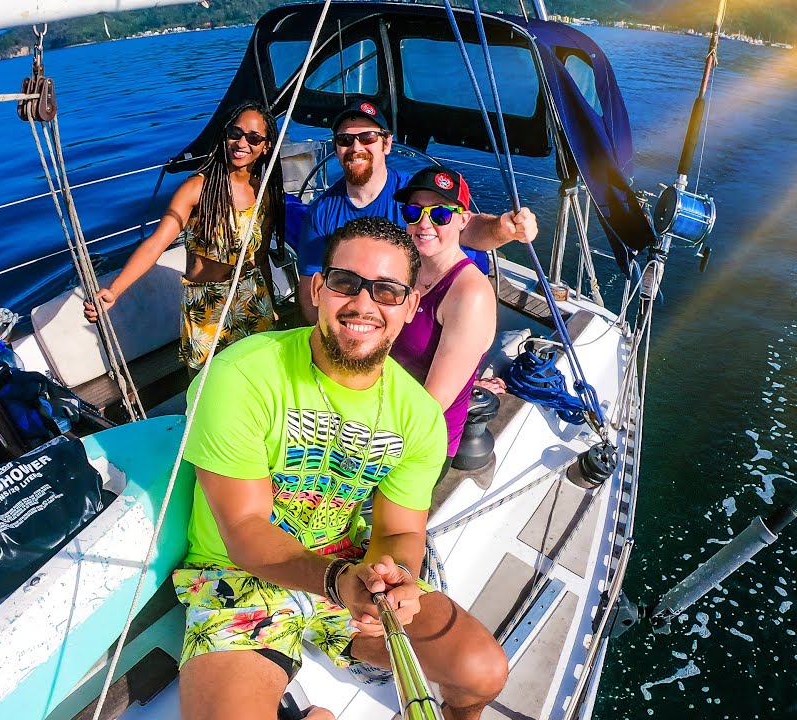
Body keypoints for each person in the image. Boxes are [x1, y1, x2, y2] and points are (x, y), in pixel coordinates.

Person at [174, 217, 508, 720]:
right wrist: (336, 581)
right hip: (242, 573)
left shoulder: (417, 415)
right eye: (345, 283)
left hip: (353, 567)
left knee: (483, 673)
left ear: (411, 305)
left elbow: (398, 529)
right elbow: (244, 527)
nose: (363, 304)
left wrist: (396, 582)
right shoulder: (240, 376)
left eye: (387, 290)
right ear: (318, 288)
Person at [296, 99, 538, 324]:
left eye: (368, 137)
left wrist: (504, 228)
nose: (356, 147)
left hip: (417, 308)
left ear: (387, 143)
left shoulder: (416, 194)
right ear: (336, 147)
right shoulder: (321, 212)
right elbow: (310, 296)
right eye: (345, 140)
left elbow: (467, 228)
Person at [84, 101, 284, 373]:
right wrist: (114, 290)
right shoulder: (196, 189)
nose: (241, 143)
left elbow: (259, 259)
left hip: (252, 298)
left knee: (260, 380)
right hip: (206, 305)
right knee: (204, 389)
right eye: (235, 134)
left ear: (266, 146)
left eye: (253, 138)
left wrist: (270, 303)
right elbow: (157, 243)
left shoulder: (264, 194)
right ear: (224, 136)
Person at [390, 166, 496, 471]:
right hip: (375, 412)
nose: (424, 224)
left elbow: (430, 406)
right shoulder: (406, 267)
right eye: (413, 212)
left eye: (440, 215)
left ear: (463, 220)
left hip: (418, 445)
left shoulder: (469, 294)